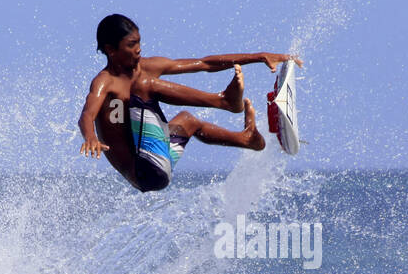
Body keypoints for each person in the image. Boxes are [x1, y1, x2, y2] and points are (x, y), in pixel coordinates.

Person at [78, 14, 302, 191]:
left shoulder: (147, 66)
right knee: (143, 85)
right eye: (131, 44)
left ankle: (246, 139)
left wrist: (259, 56)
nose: (139, 48)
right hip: (144, 170)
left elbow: (204, 63)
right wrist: (90, 137)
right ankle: (223, 101)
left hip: (160, 166)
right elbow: (87, 115)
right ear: (111, 50)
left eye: (139, 41)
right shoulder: (104, 82)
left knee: (187, 121)